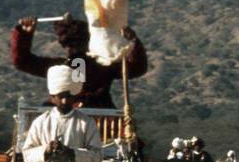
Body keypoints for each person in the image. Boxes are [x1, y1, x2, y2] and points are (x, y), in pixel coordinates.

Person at [13, 13, 147, 109]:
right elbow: (22, 61)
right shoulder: (101, 65)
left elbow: (137, 68)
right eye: (74, 45)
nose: (76, 49)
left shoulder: (103, 65)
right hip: (63, 119)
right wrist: (133, 42)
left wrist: (132, 42)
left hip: (100, 121)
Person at [20, 65, 103, 162]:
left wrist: (71, 153)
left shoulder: (86, 123)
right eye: (61, 96)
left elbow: (97, 156)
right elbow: (27, 154)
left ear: (74, 97)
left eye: (68, 96)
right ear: (52, 98)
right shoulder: (40, 122)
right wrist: (46, 150)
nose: (64, 101)